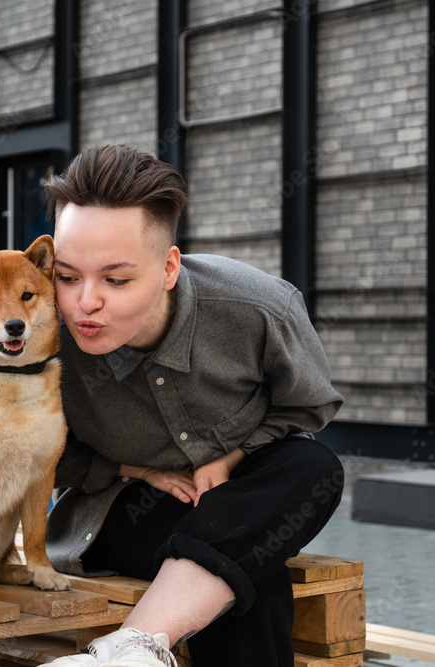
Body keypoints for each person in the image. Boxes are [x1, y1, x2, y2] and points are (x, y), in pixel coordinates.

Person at [42, 145, 345, 667]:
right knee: (247, 573)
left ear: (168, 267)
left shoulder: (258, 308)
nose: (84, 302)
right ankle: (136, 650)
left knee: (314, 465)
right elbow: (29, 453)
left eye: (116, 280)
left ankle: (128, 650)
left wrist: (229, 459)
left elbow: (307, 408)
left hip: (243, 494)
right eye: (67, 276)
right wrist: (133, 468)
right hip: (121, 508)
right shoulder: (35, 331)